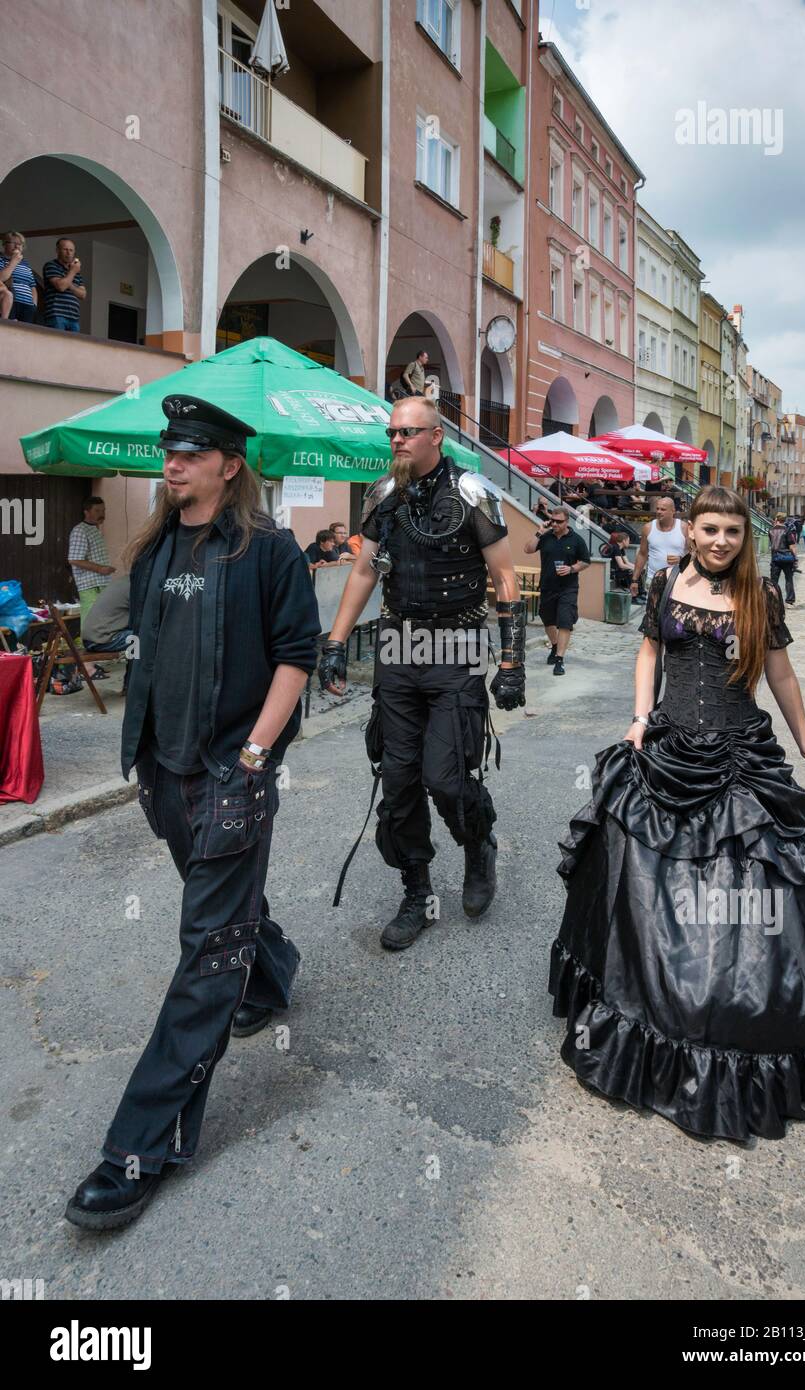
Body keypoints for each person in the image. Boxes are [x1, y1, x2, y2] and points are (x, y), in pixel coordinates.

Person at [65, 395, 320, 1231]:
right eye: (167, 450)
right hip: (163, 773)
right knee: (228, 918)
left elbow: (295, 658)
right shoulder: (157, 547)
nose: (171, 463)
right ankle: (273, 971)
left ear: (228, 464)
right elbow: (113, 635)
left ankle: (136, 1149)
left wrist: (253, 759)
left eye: (189, 452)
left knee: (205, 956)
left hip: (226, 775)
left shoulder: (268, 551)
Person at [549, 485, 805, 1142]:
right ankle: (649, 1004)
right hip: (667, 744)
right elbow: (650, 652)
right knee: (641, 886)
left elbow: (781, 675)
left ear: (745, 539)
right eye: (709, 529)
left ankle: (727, 1018)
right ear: (690, 531)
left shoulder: (759, 597)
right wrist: (637, 720)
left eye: (731, 533)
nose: (718, 541)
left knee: (743, 886)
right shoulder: (662, 585)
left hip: (738, 756)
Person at [319, 395, 524, 951]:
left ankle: (478, 845)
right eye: (392, 433)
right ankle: (418, 894)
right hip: (398, 648)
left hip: (456, 647)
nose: (398, 441)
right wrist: (336, 642)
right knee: (400, 781)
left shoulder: (474, 491)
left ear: (436, 436)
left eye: (409, 432)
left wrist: (511, 661)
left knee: (446, 777)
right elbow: (363, 572)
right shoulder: (384, 495)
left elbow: (505, 578)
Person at [524, 507, 591, 675]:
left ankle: (559, 660)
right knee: (547, 620)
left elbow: (585, 561)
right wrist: (539, 532)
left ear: (567, 522)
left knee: (565, 621)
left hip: (568, 587)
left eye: (559, 521)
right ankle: (554, 645)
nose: (555, 524)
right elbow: (528, 549)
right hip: (547, 586)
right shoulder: (545, 537)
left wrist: (571, 569)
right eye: (553, 520)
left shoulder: (576, 540)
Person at [68, 496, 116, 679]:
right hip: (90, 585)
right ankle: (86, 667)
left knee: (98, 624)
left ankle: (93, 664)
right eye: (97, 511)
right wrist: (100, 569)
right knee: (89, 624)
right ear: (86, 512)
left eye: (103, 511)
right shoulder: (80, 531)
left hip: (100, 584)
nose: (101, 514)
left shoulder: (94, 529)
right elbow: (73, 559)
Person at [81, 572, 134, 693]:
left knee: (139, 639)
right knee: (144, 638)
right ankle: (132, 686)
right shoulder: (133, 586)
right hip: (101, 639)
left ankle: (130, 685)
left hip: (93, 637)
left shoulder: (123, 581)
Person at [629, 496, 688, 601]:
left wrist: (682, 559)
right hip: (653, 580)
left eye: (663, 509)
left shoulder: (684, 528)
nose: (659, 512)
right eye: (657, 509)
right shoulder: (648, 528)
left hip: (677, 580)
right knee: (652, 615)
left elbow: (694, 553)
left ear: (673, 511)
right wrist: (634, 580)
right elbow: (642, 554)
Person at [42, 237, 87, 331]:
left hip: (74, 317)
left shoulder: (76, 272)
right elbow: (61, 287)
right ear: (57, 250)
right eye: (65, 249)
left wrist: (68, 284)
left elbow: (83, 294)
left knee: (73, 345)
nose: (69, 253)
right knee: (56, 344)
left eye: (71, 250)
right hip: (56, 315)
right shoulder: (51, 265)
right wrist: (73, 272)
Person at [0, 230, 38, 323]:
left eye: (20, 244)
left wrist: (34, 304)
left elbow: (32, 286)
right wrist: (13, 262)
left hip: (28, 305)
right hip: (11, 302)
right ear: (5, 244)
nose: (17, 246)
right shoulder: (1, 259)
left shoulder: (26, 264)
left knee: (25, 333)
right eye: (14, 243)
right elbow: (1, 278)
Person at [769, 511, 798, 606]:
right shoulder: (787, 530)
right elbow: (792, 546)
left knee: (773, 581)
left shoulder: (771, 530)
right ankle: (789, 600)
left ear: (776, 519)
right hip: (787, 558)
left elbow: (773, 544)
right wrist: (795, 559)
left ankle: (772, 600)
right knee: (789, 579)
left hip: (775, 558)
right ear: (784, 520)